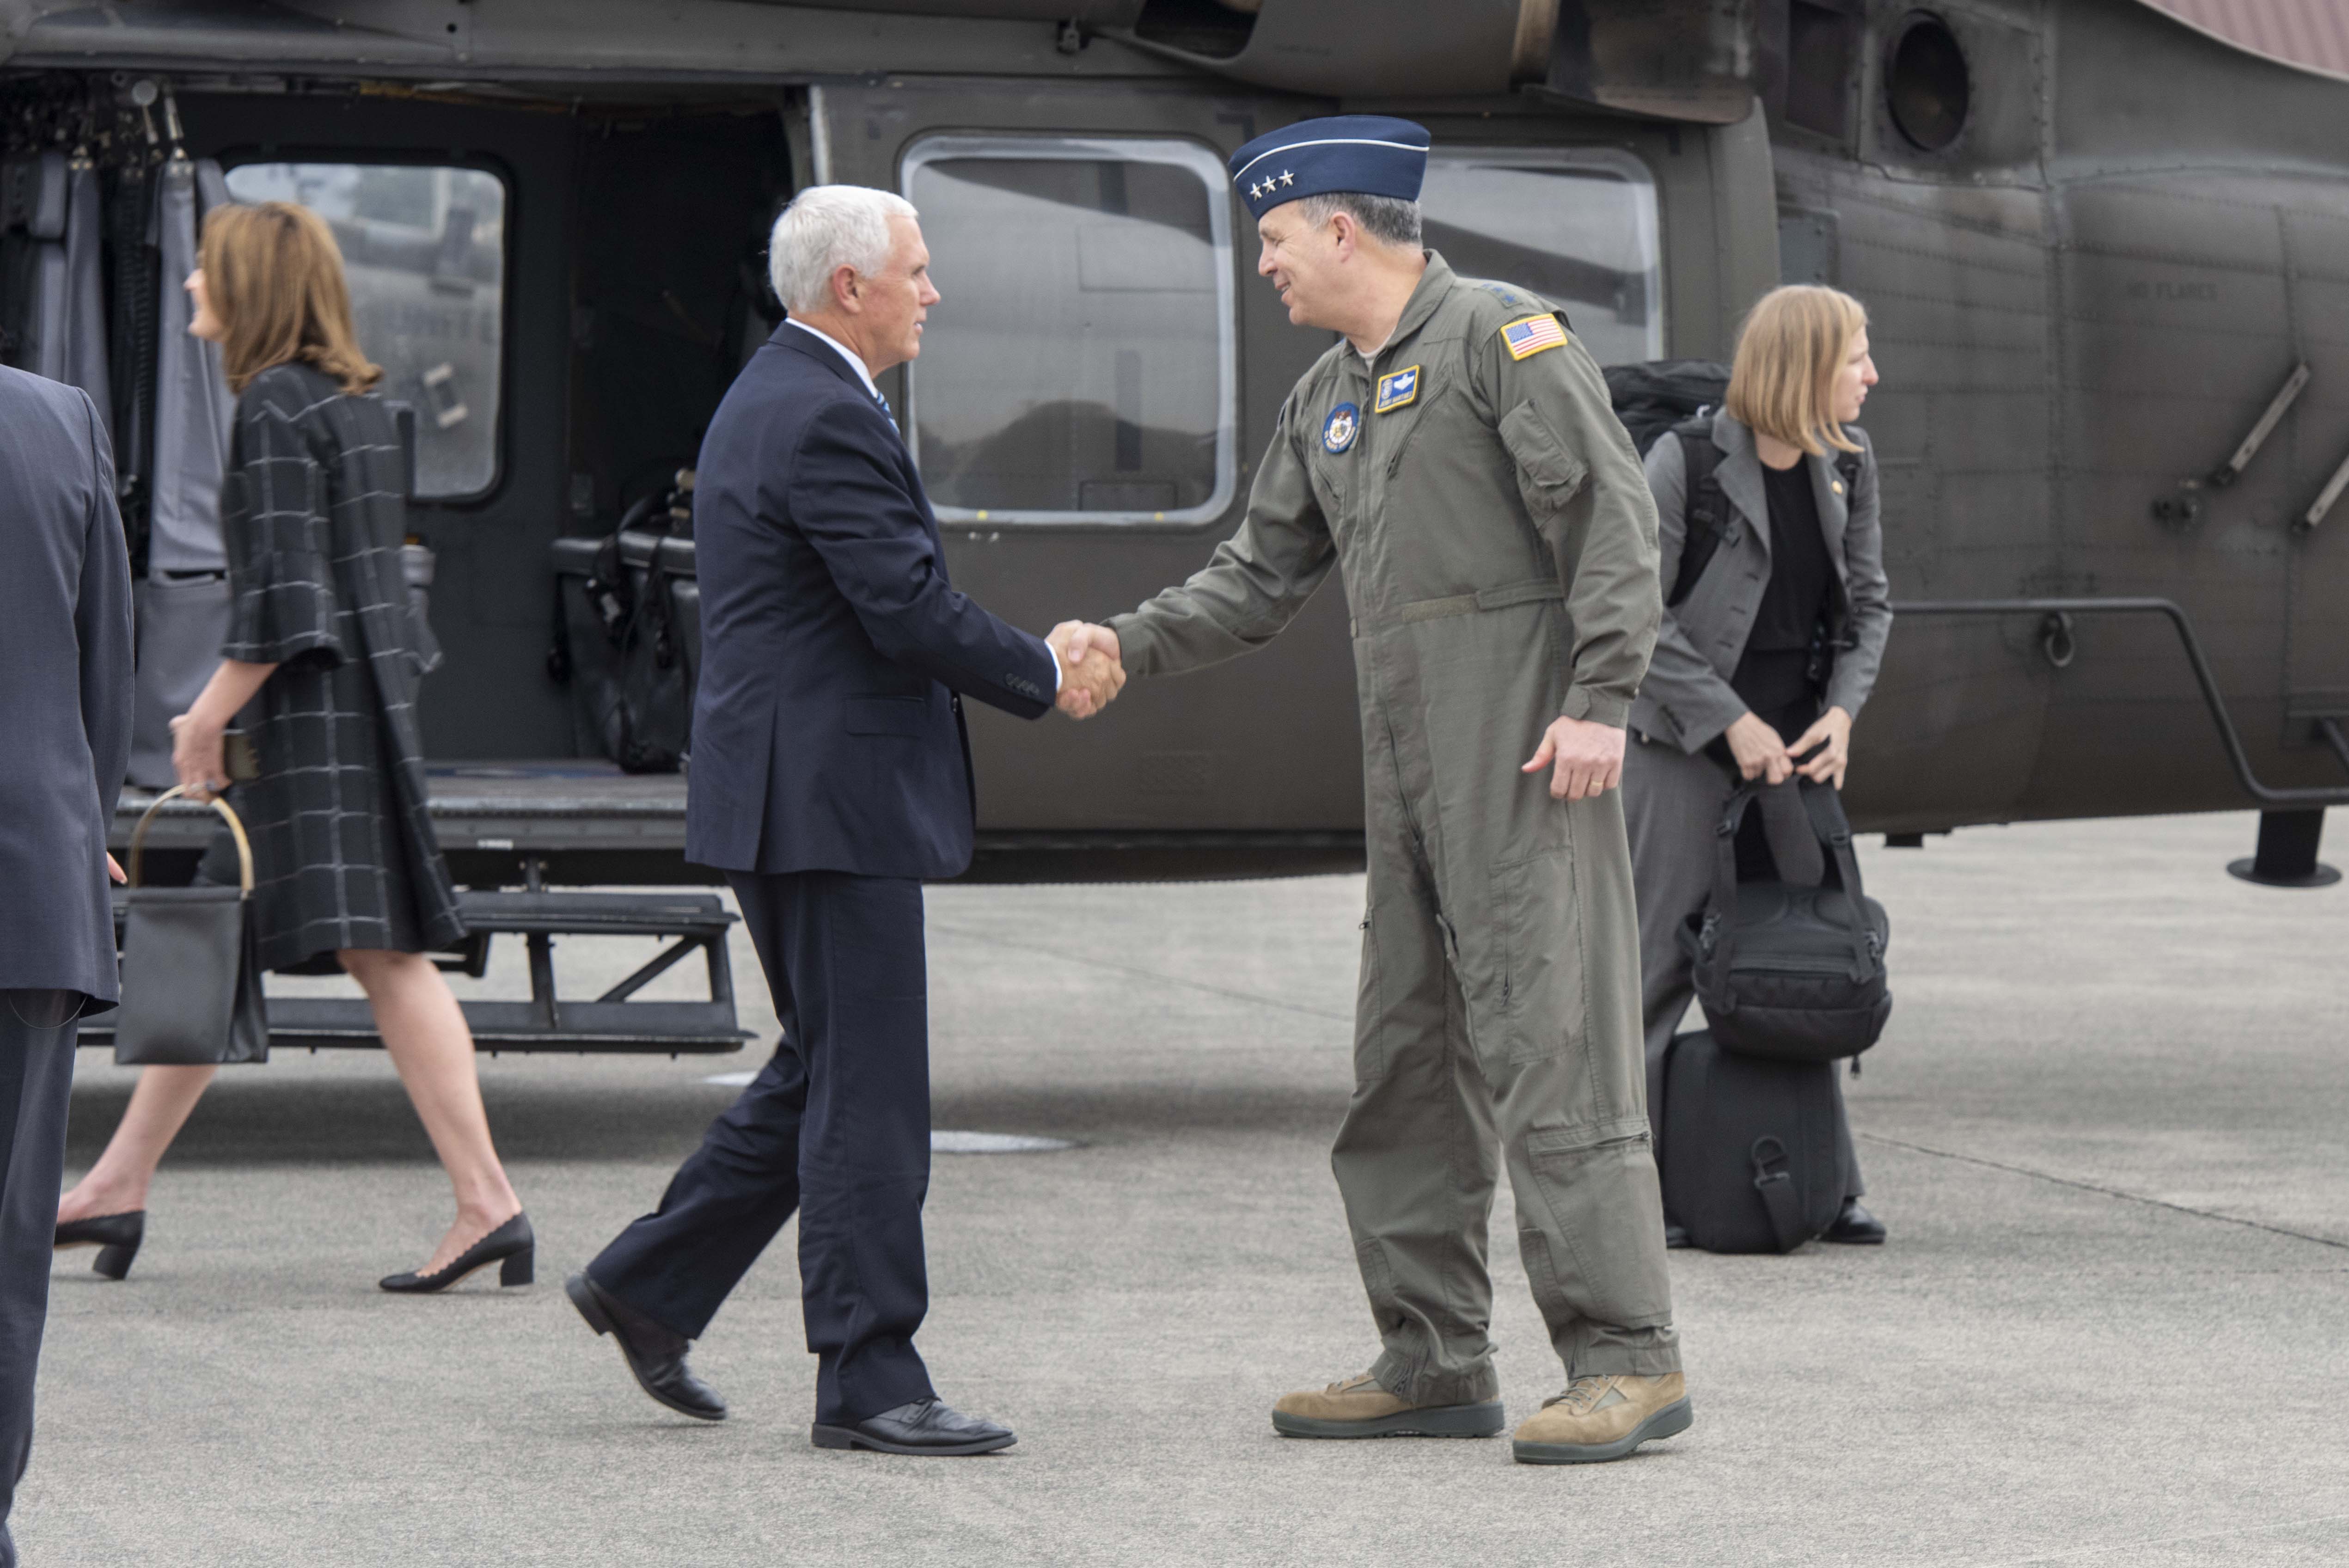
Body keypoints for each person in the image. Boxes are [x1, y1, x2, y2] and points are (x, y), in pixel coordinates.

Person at [1054, 117, 1689, 1465]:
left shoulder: (1499, 340)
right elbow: (1255, 577)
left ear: (1341, 229)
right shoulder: (1327, 396)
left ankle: (1628, 1357)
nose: (1267, 267)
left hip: (1521, 757)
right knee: (1403, 1062)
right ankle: (1432, 1354)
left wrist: (1602, 702)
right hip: (1406, 781)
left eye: (1276, 240)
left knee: (1550, 1051)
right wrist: (1128, 641)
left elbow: (1615, 525)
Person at [564, 184, 1119, 1459]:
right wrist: (1045, 669)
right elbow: (906, 609)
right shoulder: (821, 410)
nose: (933, 293)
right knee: (870, 1093)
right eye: (917, 272)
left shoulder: (787, 391)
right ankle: (869, 1375)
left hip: (796, 792)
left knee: (824, 1067)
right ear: (849, 288)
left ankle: (649, 1285)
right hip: (832, 800)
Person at [52, 202, 532, 1294]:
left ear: (250, 286)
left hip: (306, 733)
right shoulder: (356, 406)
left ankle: (489, 1201)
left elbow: (286, 597)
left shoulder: (271, 405)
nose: (188, 288)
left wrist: (202, 715)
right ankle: (115, 1187)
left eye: (205, 273)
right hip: (357, 717)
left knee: (384, 962)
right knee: (217, 952)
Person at [1623, 283, 1894, 1246]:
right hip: (1682, 750)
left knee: (1800, 960)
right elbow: (1632, 618)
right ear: (1805, 366)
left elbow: (1871, 607)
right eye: (1857, 356)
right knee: (1660, 971)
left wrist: (1844, 715)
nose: (1872, 374)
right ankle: (1637, 1200)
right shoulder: (1684, 462)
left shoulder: (1848, 466)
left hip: (1795, 758)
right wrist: (1727, 721)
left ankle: (1829, 1182)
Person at [0, 361, 134, 1567]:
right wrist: (80, 823)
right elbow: (107, 662)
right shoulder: (57, 416)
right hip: (34, 881)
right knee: (6, 1256)